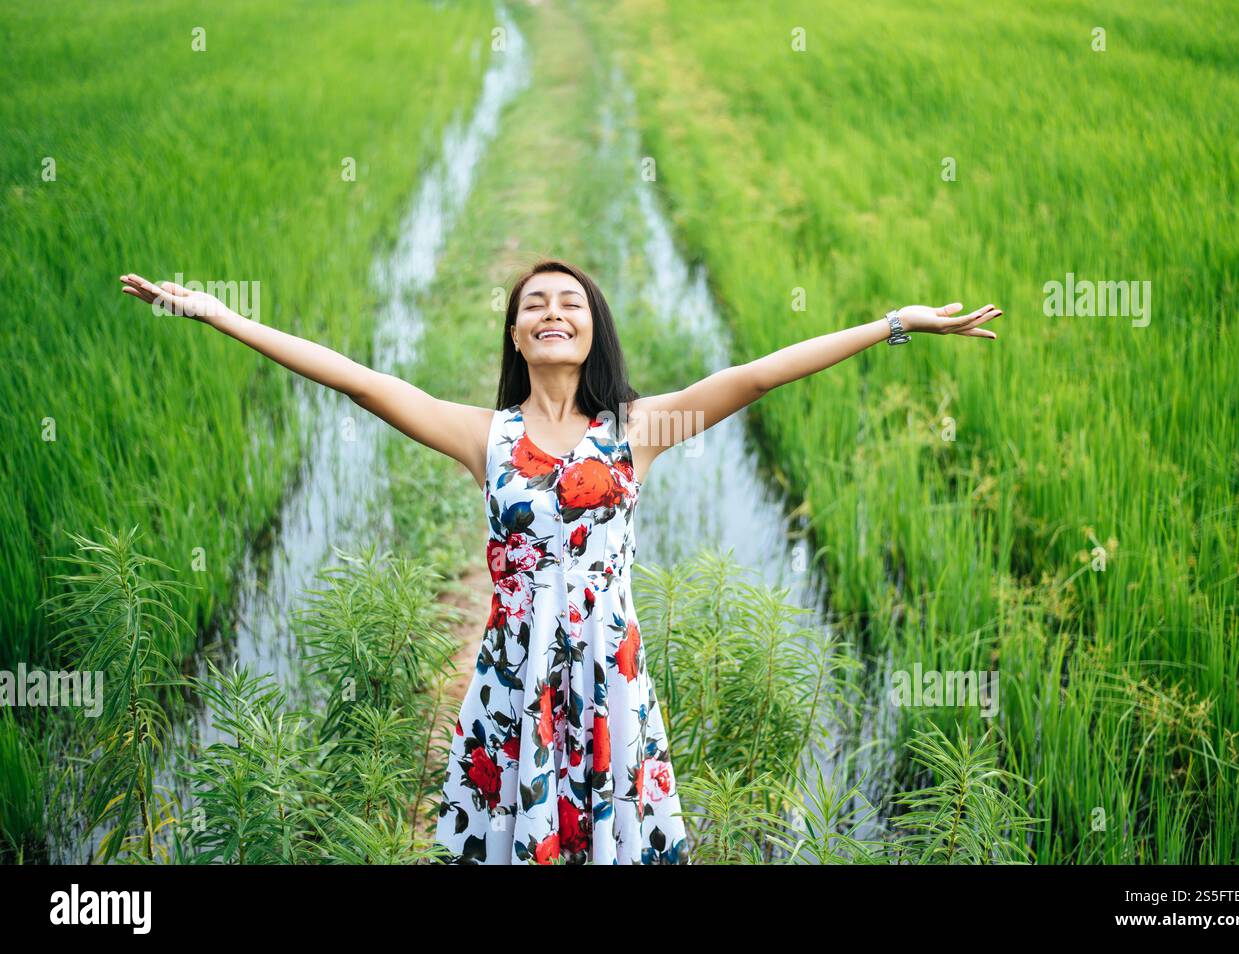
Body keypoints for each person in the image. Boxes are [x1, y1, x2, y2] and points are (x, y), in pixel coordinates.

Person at [118, 258, 1001, 864]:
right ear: (514, 334)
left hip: (610, 677)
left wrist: (892, 324)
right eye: (534, 303)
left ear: (592, 331)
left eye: (569, 303)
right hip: (514, 676)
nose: (552, 311)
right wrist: (222, 316)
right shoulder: (483, 437)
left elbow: (760, 375)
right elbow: (355, 378)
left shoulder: (637, 432)